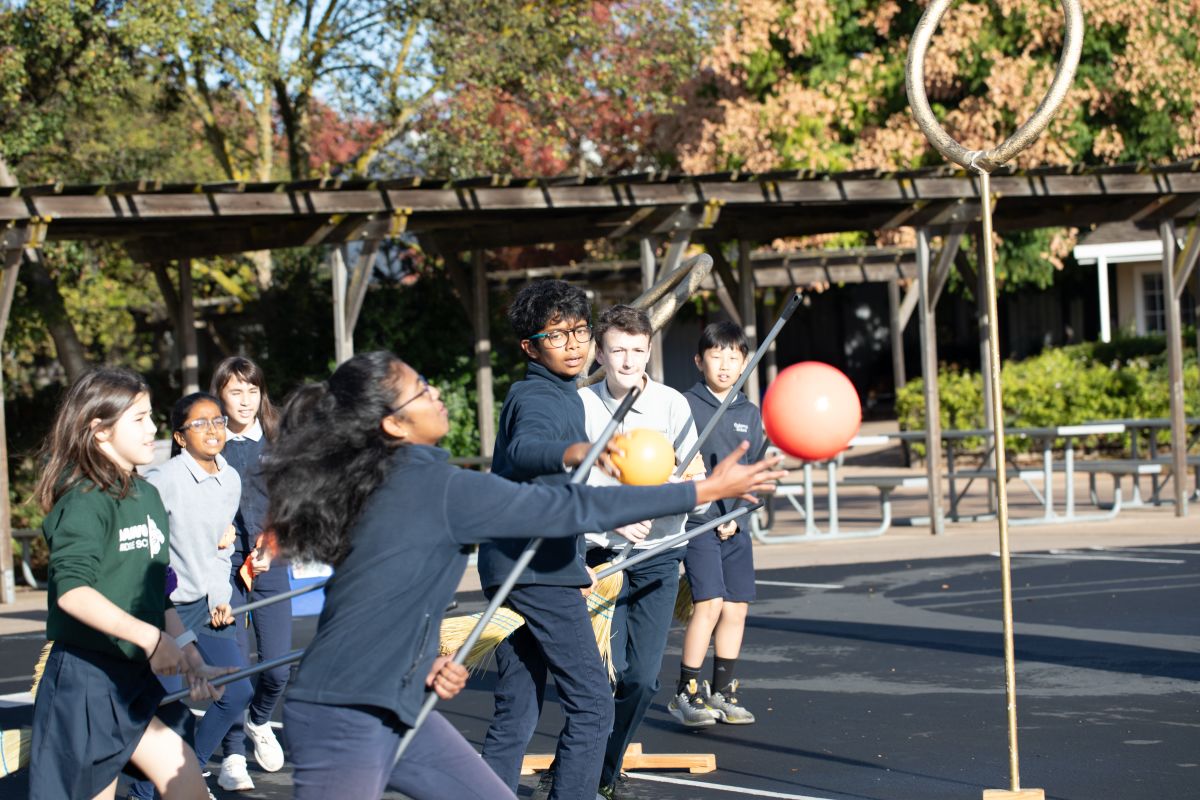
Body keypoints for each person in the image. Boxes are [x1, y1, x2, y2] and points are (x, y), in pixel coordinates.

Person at [263, 351, 783, 800]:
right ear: (395, 426)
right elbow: (570, 507)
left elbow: (387, 596)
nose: (435, 392)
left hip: (401, 711)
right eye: (420, 390)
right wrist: (700, 491)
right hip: (343, 715)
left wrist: (420, 664)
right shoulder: (434, 487)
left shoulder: (397, 482)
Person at [29, 368, 230, 800]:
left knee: (185, 779)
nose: (152, 428)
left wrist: (191, 656)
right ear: (99, 432)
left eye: (151, 416)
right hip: (86, 681)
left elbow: (157, 591)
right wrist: (153, 641)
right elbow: (73, 593)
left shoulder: (148, 496)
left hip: (131, 681)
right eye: (138, 418)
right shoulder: (83, 501)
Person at [476, 280, 640, 800]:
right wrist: (572, 451)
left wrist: (576, 561)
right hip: (534, 571)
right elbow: (527, 450)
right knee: (594, 702)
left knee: (519, 705)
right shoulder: (537, 397)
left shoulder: (557, 392)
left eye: (581, 332)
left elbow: (549, 492)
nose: (573, 344)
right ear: (530, 347)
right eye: (558, 335)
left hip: (528, 563)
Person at [578, 304, 708, 799]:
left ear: (649, 351)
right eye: (618, 351)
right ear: (600, 353)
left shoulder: (673, 405)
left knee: (643, 680)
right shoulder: (584, 407)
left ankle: (604, 770)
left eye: (637, 350)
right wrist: (615, 514)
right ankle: (585, 771)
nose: (628, 361)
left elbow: (694, 477)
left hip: (657, 556)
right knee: (598, 679)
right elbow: (573, 487)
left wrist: (670, 489)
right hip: (599, 559)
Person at [128, 392, 254, 800]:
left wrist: (220, 594)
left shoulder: (230, 478)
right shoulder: (162, 480)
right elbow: (146, 546)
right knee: (171, 710)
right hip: (165, 608)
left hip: (207, 603)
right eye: (199, 424)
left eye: (217, 421)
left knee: (237, 690)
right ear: (180, 437)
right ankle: (151, 791)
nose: (212, 429)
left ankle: (188, 777)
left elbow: (222, 548)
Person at [672, 321, 767, 728]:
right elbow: (678, 467)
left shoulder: (749, 411)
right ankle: (686, 692)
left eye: (734, 357)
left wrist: (740, 516)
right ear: (699, 360)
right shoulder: (686, 406)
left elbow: (758, 473)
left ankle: (723, 691)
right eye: (716, 355)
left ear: (745, 362)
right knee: (707, 604)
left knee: (735, 608)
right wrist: (710, 514)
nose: (725, 365)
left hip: (737, 526)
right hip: (699, 525)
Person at [211, 356, 289, 789]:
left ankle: (260, 721)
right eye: (235, 391)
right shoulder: (207, 437)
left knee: (277, 667)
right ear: (219, 394)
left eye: (252, 390)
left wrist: (272, 545)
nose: (245, 400)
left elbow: (294, 501)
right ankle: (233, 756)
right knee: (234, 668)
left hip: (271, 559)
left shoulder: (279, 436)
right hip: (221, 566)